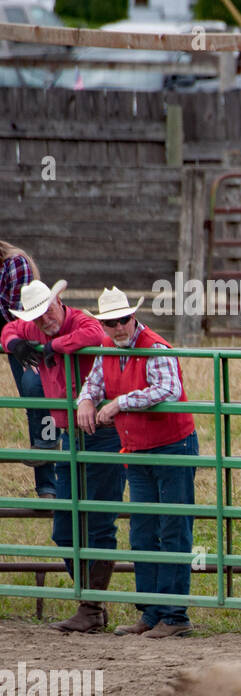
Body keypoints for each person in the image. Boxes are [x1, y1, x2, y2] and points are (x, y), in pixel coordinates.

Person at [2, 280, 125, 632]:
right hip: (71, 434)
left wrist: (51, 346)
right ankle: (92, 603)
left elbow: (91, 336)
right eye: (37, 318)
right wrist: (16, 343)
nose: (44, 321)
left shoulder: (81, 321)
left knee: (98, 521)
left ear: (59, 302)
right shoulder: (34, 326)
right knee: (65, 527)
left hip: (102, 430)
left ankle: (91, 606)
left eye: (48, 312)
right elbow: (9, 329)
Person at [76, 287, 199, 638]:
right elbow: (93, 383)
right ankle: (151, 611)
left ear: (133, 317)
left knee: (172, 528)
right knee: (144, 530)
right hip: (139, 447)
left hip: (171, 445)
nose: (117, 328)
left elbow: (168, 389)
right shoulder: (107, 351)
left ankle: (175, 616)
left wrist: (119, 403)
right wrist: (86, 401)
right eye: (110, 322)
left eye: (122, 320)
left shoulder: (155, 348)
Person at [1, 241, 56, 499]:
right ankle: (48, 487)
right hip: (17, 339)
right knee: (36, 405)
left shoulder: (14, 264)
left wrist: (56, 344)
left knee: (41, 397)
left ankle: (52, 485)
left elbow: (16, 314)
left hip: (34, 338)